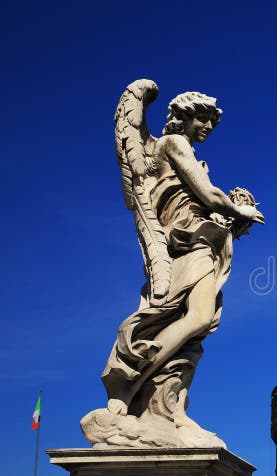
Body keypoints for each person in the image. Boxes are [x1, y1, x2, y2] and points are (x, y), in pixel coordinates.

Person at [102, 90, 263, 428]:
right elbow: (208, 194)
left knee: (196, 328)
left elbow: (201, 202)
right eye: (202, 118)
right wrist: (239, 210)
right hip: (187, 242)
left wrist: (230, 221)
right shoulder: (173, 143)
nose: (208, 126)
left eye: (212, 121)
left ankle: (169, 406)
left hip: (199, 241)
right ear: (183, 117)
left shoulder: (179, 149)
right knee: (198, 317)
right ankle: (129, 383)